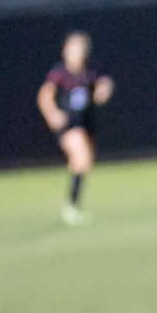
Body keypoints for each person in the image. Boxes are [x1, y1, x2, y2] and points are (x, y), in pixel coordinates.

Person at [36, 31, 113, 225]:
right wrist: (52, 114)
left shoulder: (90, 70)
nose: (78, 52)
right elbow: (44, 96)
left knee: (81, 163)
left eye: (81, 48)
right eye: (74, 48)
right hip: (69, 125)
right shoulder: (60, 73)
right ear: (66, 50)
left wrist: (104, 90)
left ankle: (73, 205)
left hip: (86, 124)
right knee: (82, 157)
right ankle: (71, 206)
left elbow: (104, 84)